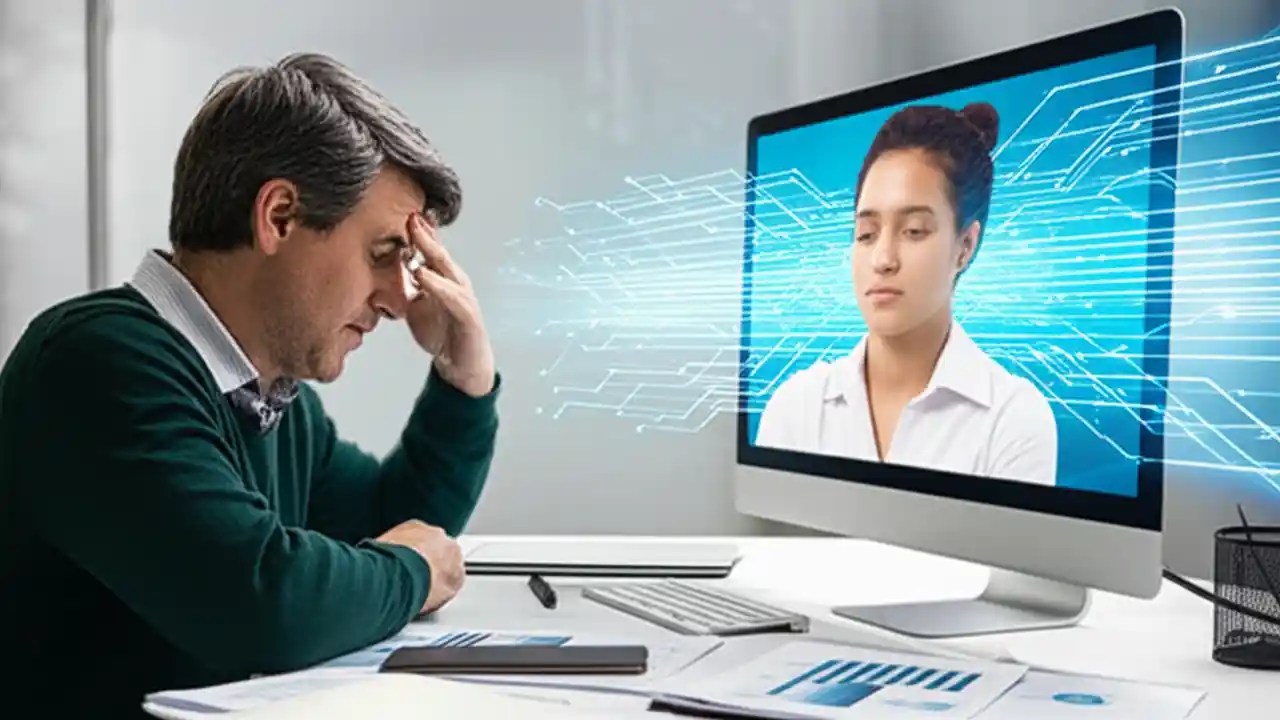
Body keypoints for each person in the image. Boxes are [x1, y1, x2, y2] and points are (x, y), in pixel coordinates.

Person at [0, 53, 499, 718]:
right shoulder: (97, 364)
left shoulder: (267, 397)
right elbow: (263, 604)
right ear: (280, 216)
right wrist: (408, 573)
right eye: (384, 254)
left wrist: (462, 381)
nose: (399, 299)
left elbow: (397, 524)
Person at [756, 102, 1057, 486]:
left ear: (965, 246)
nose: (882, 259)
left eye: (914, 231)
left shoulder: (1012, 419)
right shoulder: (796, 407)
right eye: (866, 234)